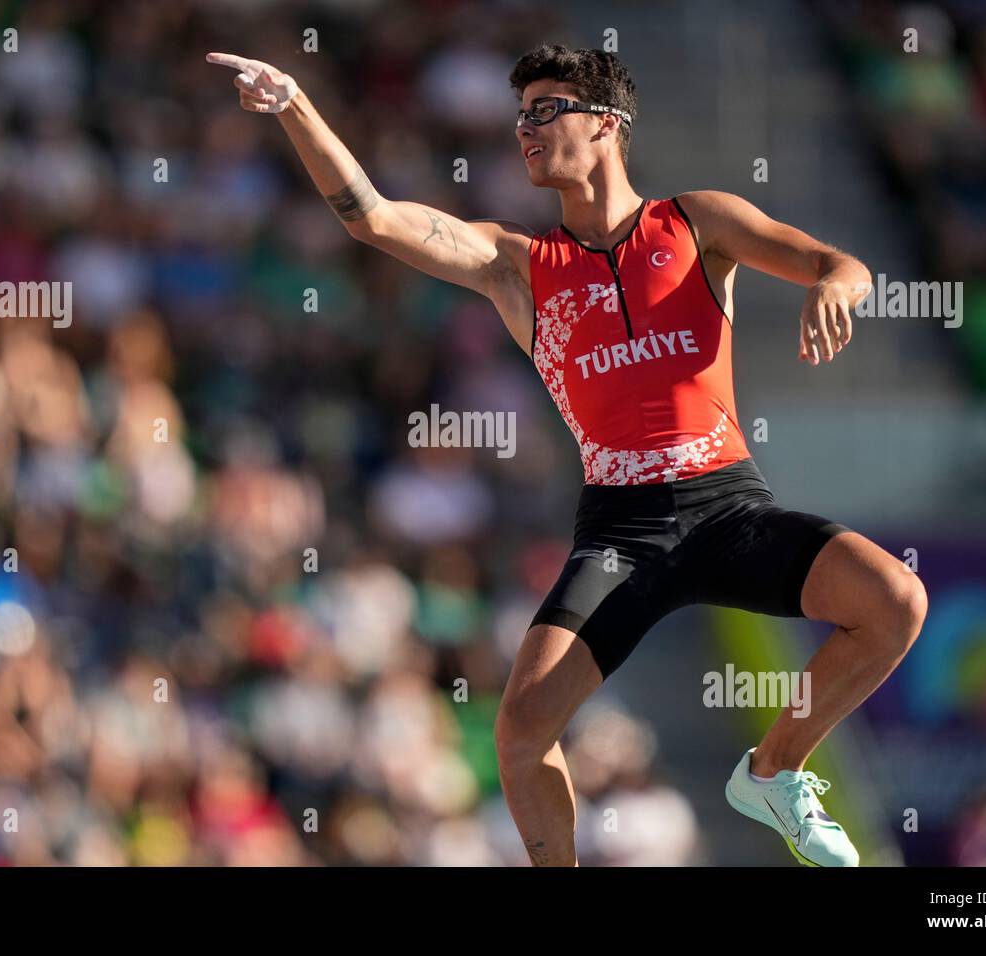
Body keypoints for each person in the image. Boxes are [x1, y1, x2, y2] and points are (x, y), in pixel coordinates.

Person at [207, 42, 928, 867]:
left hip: (727, 504)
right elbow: (369, 216)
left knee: (895, 600)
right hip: (623, 529)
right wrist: (296, 102)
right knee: (521, 731)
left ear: (608, 125)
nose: (526, 129)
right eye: (521, 116)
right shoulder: (519, 267)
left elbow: (841, 263)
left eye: (546, 111)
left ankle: (772, 770)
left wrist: (834, 287)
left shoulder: (697, 220)